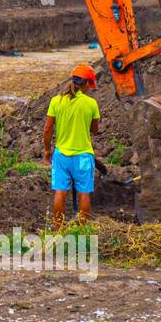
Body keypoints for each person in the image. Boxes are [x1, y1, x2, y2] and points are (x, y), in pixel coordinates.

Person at [43, 64, 101, 229]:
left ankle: (58, 230)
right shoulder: (91, 104)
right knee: (84, 193)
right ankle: (82, 232)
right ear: (87, 83)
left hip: (61, 156)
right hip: (83, 156)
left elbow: (47, 129)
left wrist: (48, 150)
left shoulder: (56, 101)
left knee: (60, 192)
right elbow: (95, 130)